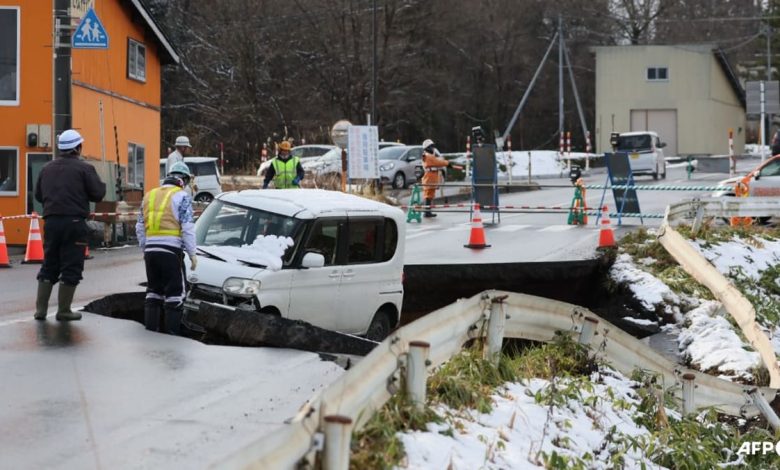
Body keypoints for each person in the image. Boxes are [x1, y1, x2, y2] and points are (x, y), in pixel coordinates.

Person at [33, 129, 106, 321]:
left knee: (50, 264)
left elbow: (39, 195)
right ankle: (63, 310)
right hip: (74, 222)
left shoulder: (46, 168)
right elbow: (98, 193)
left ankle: (40, 311)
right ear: (78, 148)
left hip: (51, 222)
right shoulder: (84, 168)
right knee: (72, 265)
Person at [135, 162, 197, 335]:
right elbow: (187, 227)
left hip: (151, 251)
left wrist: (145, 248)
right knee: (175, 293)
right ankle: (171, 335)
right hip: (171, 250)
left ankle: (151, 331)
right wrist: (192, 254)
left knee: (154, 291)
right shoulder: (182, 196)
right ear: (183, 180)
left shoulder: (149, 195)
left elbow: (139, 227)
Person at [420, 139, 449, 218]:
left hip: (431, 176)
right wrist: (447, 163)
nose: (433, 148)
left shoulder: (428, 155)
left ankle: (428, 211)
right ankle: (427, 212)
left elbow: (437, 162)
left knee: (430, 195)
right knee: (428, 195)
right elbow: (437, 162)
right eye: (431, 146)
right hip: (429, 176)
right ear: (427, 147)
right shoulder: (428, 156)